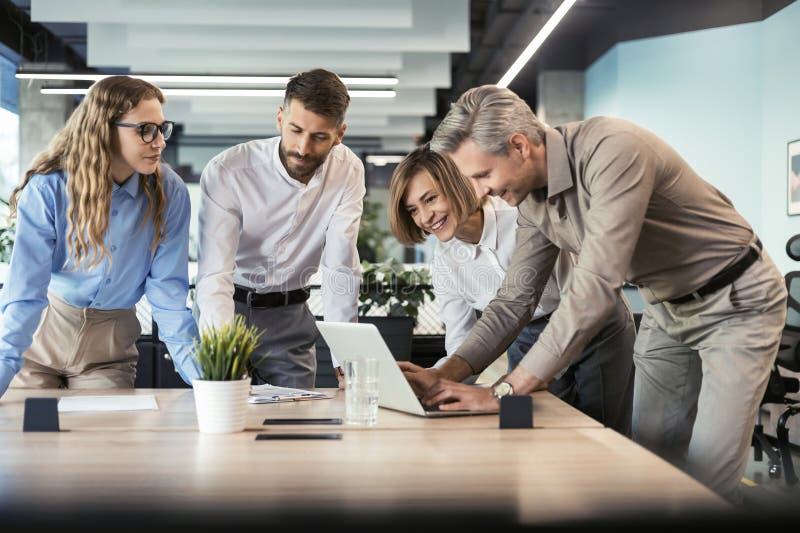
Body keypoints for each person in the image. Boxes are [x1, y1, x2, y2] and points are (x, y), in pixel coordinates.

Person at [401, 84, 787, 502]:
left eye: (482, 175)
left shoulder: (612, 150)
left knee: (707, 473)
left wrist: (505, 392)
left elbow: (596, 285)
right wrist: (442, 375)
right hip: (667, 308)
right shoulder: (530, 201)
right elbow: (515, 299)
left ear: (519, 146)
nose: (479, 192)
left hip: (737, 301)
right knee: (650, 461)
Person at [388, 145, 635, 433]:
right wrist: (438, 382)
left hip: (592, 325)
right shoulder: (445, 261)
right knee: (527, 430)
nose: (425, 217)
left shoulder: (520, 215)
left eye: (430, 199)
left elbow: (572, 296)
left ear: (456, 185)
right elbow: (462, 339)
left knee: (600, 431)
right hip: (523, 337)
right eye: (413, 210)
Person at [0, 75, 201, 397]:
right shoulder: (51, 188)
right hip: (38, 342)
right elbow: (26, 291)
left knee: (105, 441)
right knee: (32, 436)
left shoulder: (169, 191)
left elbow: (168, 297)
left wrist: (210, 381)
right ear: (104, 129)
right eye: (146, 130)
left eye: (162, 128)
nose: (160, 141)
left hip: (108, 351)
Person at [195, 69, 365, 389]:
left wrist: (346, 355)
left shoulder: (348, 171)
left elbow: (340, 265)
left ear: (339, 134)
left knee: (295, 426)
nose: (302, 148)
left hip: (290, 317)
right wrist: (222, 351)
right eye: (295, 130)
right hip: (227, 306)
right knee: (222, 418)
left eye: (319, 137)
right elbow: (214, 273)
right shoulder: (229, 171)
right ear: (279, 118)